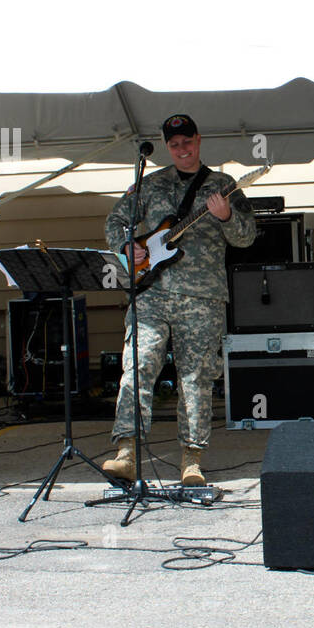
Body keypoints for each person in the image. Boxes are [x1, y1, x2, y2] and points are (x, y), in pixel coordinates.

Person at [102, 114, 256, 486]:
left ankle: (192, 459)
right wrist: (127, 247)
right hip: (152, 293)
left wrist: (226, 216)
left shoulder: (223, 185)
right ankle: (126, 452)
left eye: (187, 141)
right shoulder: (149, 184)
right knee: (137, 368)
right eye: (174, 144)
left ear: (198, 141)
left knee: (196, 379)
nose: (182, 149)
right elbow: (115, 222)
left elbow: (246, 237)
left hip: (202, 297)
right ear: (166, 147)